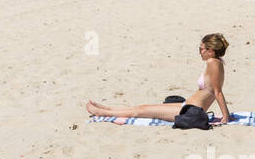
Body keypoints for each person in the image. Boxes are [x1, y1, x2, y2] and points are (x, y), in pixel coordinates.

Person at [86, 33, 231, 125]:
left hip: (190, 111)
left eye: (201, 49)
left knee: (141, 111)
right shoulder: (216, 63)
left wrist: (225, 116)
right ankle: (109, 109)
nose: (199, 52)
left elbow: (217, 92)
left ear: (211, 51)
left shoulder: (213, 64)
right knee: (142, 108)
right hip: (187, 106)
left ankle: (103, 113)